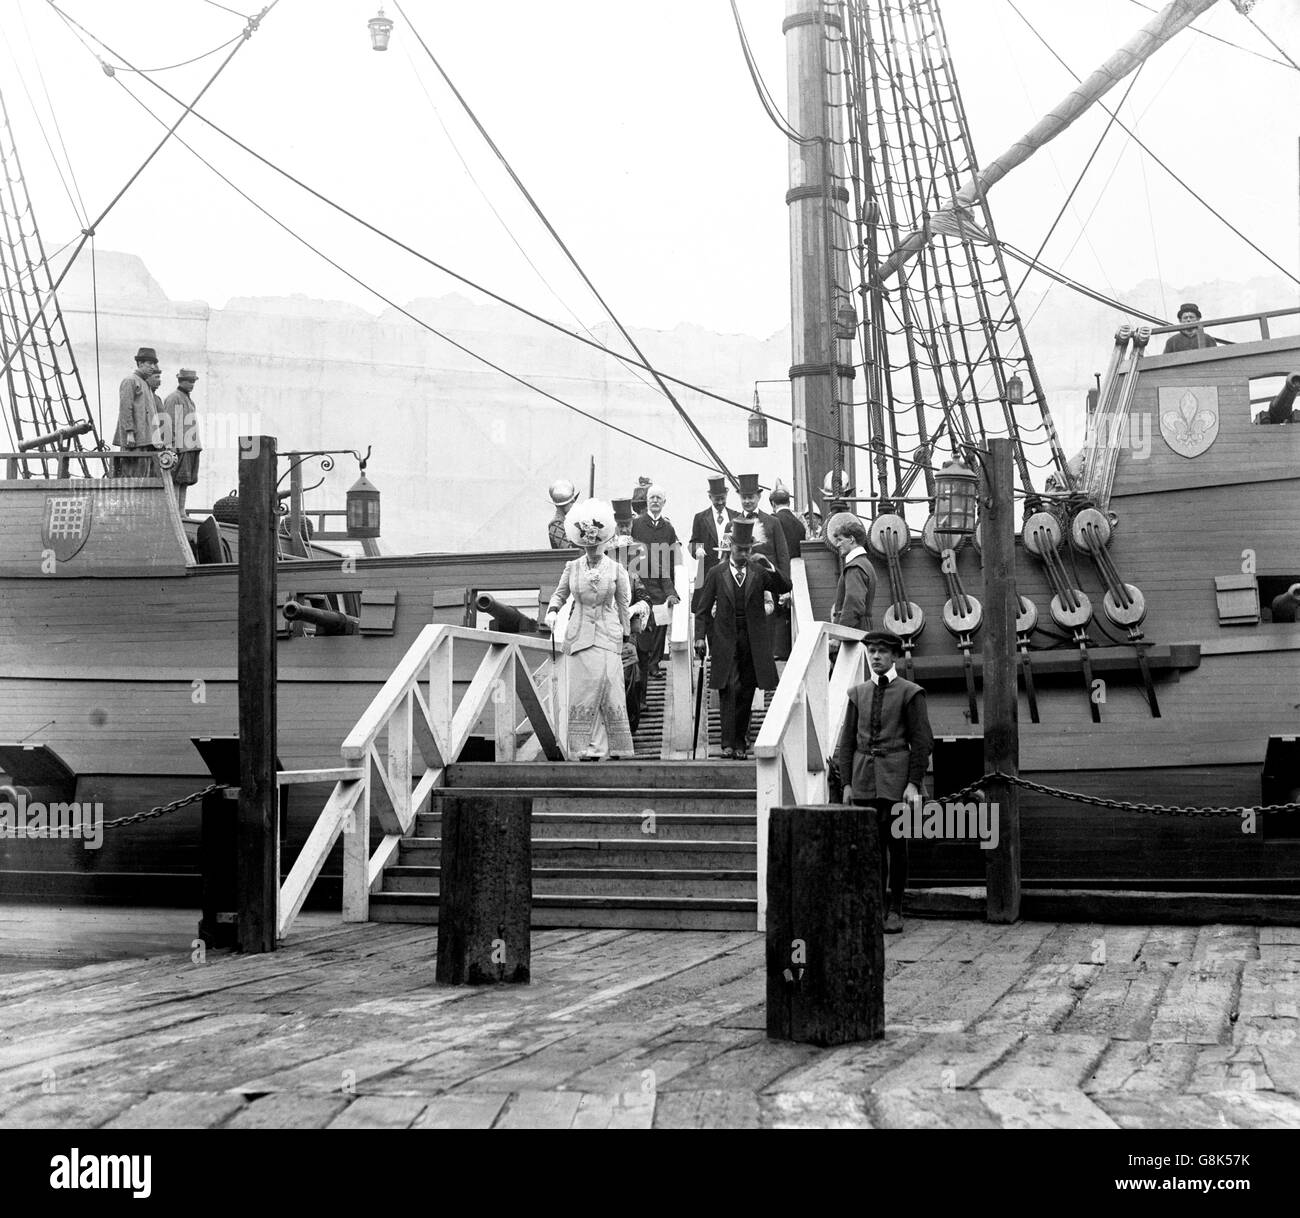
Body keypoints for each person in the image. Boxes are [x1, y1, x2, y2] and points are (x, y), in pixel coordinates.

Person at [836, 629, 934, 933]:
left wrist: (913, 783)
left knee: (896, 844)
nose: (875, 657)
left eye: (881, 652)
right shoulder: (857, 693)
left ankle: (895, 909)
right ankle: (874, 908)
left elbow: (922, 742)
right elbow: (846, 743)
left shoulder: (910, 692)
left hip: (896, 780)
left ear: (894, 656)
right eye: (871, 652)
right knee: (870, 847)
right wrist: (847, 785)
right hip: (864, 779)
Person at [544, 499, 636, 761]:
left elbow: (623, 604)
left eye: (596, 544)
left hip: (608, 637)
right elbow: (560, 595)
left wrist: (626, 637)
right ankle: (585, 749)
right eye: (587, 545)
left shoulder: (618, 570)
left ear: (604, 542)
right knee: (584, 692)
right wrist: (552, 611)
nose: (592, 548)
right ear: (582, 544)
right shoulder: (571, 568)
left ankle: (611, 748)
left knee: (608, 687)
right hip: (579, 636)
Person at [693, 519, 792, 760]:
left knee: (747, 689)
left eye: (748, 549)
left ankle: (740, 744)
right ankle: (727, 743)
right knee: (729, 688)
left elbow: (785, 586)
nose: (744, 554)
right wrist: (699, 638)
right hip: (724, 639)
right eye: (740, 549)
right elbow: (702, 608)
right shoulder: (716, 573)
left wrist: (770, 566)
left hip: (752, 640)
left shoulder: (759, 572)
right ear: (730, 547)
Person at [608, 498, 652, 729]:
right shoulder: (604, 576)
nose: (622, 557)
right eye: (618, 553)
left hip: (627, 638)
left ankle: (630, 726)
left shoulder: (634, 577)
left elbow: (645, 599)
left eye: (626, 553)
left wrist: (635, 609)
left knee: (630, 681)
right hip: (604, 637)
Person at [630, 483, 681, 681]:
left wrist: (671, 589)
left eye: (659, 498)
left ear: (664, 502)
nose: (655, 501)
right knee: (644, 625)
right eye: (652, 498)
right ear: (647, 501)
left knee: (661, 625)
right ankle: (643, 662)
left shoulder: (668, 528)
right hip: (641, 581)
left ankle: (654, 664)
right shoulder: (637, 524)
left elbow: (672, 555)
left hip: (661, 583)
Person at [826, 511, 877, 651]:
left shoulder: (855, 567)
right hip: (862, 629)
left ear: (852, 539)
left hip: (854, 634)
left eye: (840, 540)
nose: (837, 544)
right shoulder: (865, 564)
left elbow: (854, 603)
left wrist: (838, 636)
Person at [112, 346, 163, 476]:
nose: (153, 367)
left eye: (154, 364)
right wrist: (129, 432)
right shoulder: (130, 381)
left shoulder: (145, 384)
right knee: (132, 476)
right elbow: (125, 408)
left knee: (143, 475)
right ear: (140, 363)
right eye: (149, 363)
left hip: (146, 439)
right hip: (134, 441)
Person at [162, 368, 202, 512]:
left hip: (190, 446)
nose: (191, 384)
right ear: (181, 381)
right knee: (176, 481)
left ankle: (181, 511)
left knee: (185, 481)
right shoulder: (174, 398)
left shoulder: (188, 399)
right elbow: (168, 422)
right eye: (189, 381)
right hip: (180, 447)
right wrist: (170, 445)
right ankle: (175, 513)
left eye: (193, 381)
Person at [688, 474, 736, 590]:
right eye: (716, 499)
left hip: (731, 569)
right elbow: (693, 542)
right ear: (710, 497)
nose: (720, 502)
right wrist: (698, 549)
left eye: (722, 498)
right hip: (707, 571)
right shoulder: (700, 518)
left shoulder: (736, 517)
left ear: (726, 496)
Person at [769, 478, 806, 557]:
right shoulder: (800, 524)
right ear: (789, 503)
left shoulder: (772, 520)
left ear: (773, 504)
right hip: (797, 566)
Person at [547, 479, 579, 549]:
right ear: (562, 505)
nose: (574, 505)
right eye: (572, 502)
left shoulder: (570, 519)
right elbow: (568, 551)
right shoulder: (556, 525)